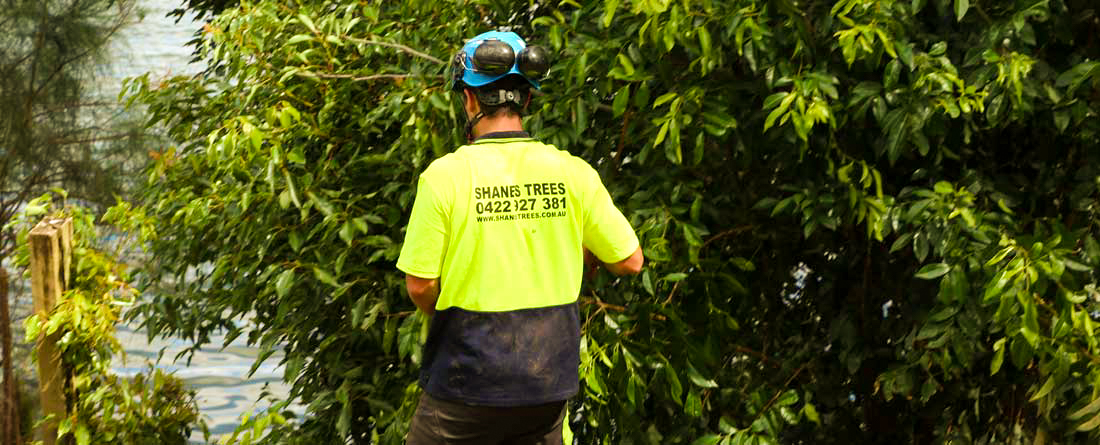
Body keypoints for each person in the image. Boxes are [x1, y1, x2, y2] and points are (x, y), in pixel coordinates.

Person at [396, 30, 644, 445]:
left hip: (465, 388)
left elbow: (420, 286)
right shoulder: (573, 172)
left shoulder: (445, 177)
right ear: (526, 99)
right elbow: (630, 261)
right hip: (546, 388)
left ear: (470, 100)